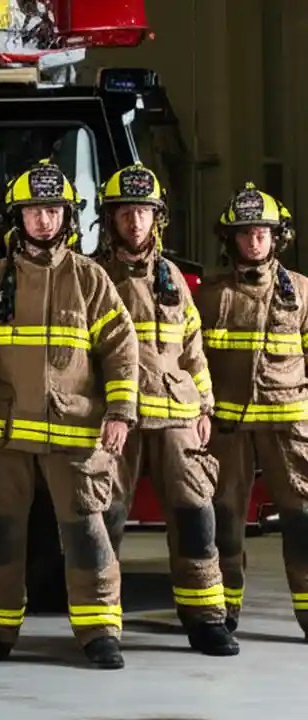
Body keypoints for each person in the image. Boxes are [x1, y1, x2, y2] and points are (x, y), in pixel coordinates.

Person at [0, 160, 138, 669]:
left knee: (85, 532)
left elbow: (121, 350)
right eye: (34, 212)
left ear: (67, 217)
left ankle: (100, 632)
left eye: (52, 211)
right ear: (18, 217)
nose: (44, 222)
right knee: (1, 531)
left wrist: (120, 411)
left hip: (75, 432)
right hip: (4, 434)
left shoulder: (91, 280)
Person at [94, 164, 238, 656]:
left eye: (144, 213)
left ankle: (205, 620)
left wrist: (205, 404)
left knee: (196, 514)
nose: (136, 223)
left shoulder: (172, 275)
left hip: (178, 415)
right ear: (110, 218)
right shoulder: (92, 275)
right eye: (126, 213)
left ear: (158, 219)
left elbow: (192, 346)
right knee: (105, 518)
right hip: (118, 418)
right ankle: (101, 626)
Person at [195, 182, 308, 640]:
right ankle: (226, 610)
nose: (254, 240)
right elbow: (193, 357)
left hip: (289, 422)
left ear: (276, 237)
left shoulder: (301, 292)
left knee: (302, 517)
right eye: (245, 233)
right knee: (225, 517)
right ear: (231, 240)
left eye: (262, 232)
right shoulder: (209, 295)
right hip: (228, 423)